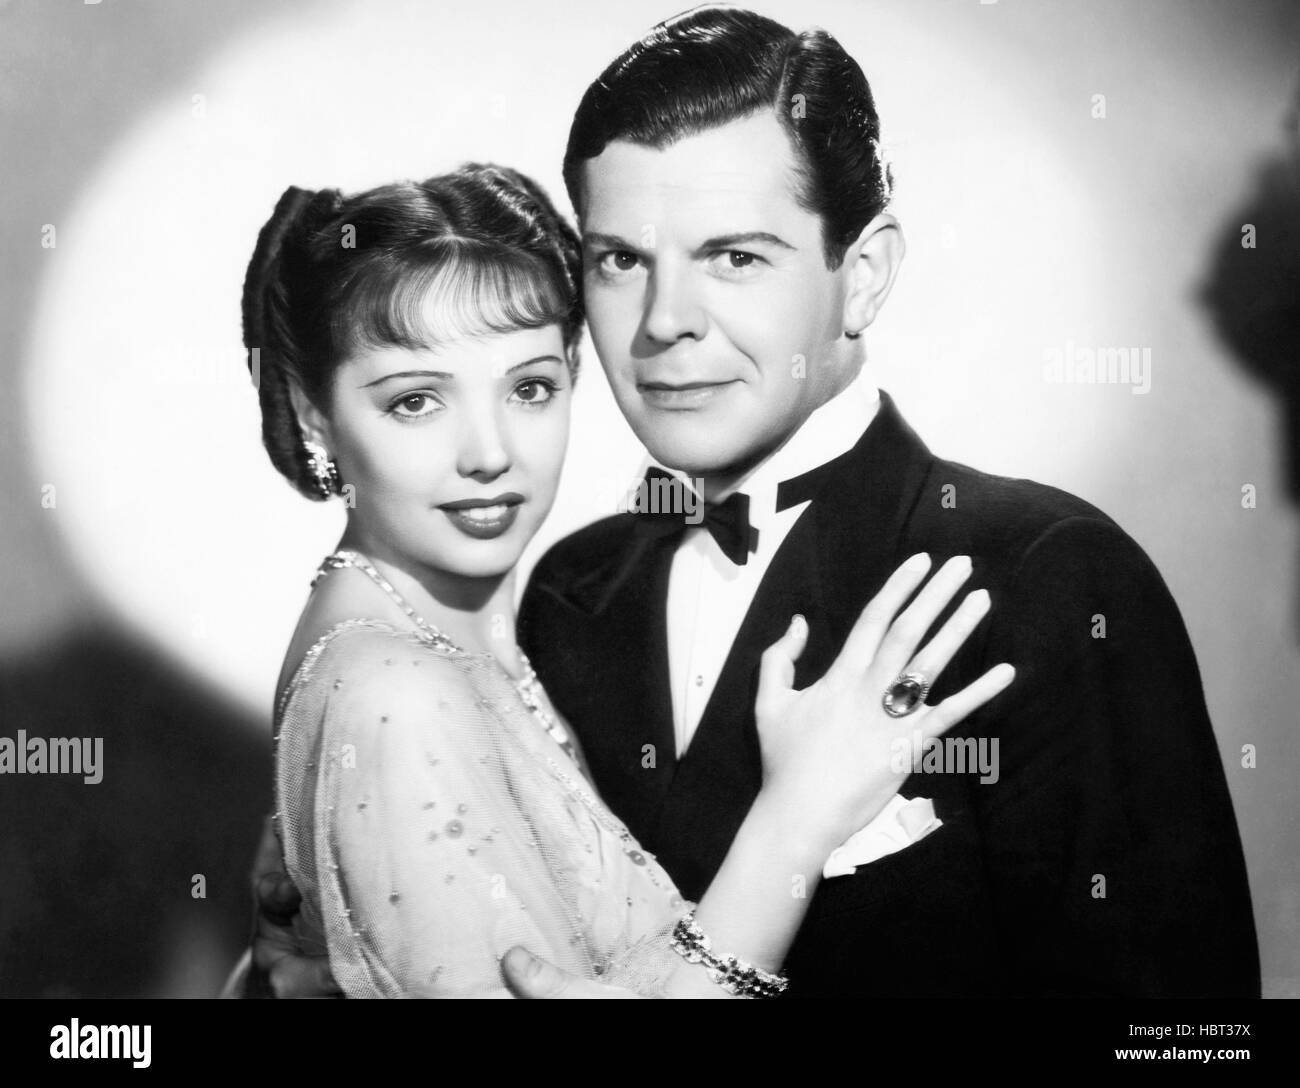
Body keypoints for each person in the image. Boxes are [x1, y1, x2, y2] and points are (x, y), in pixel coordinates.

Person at [248, 6, 1259, 999]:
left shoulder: (1044, 577)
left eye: (734, 257)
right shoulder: (565, 591)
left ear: (860, 275)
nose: (665, 322)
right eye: (620, 262)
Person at [240, 165, 1014, 998]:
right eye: (416, 402)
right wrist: (796, 821)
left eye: (530, 387)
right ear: (313, 410)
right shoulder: (395, 692)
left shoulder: (530, 615)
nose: (489, 453)